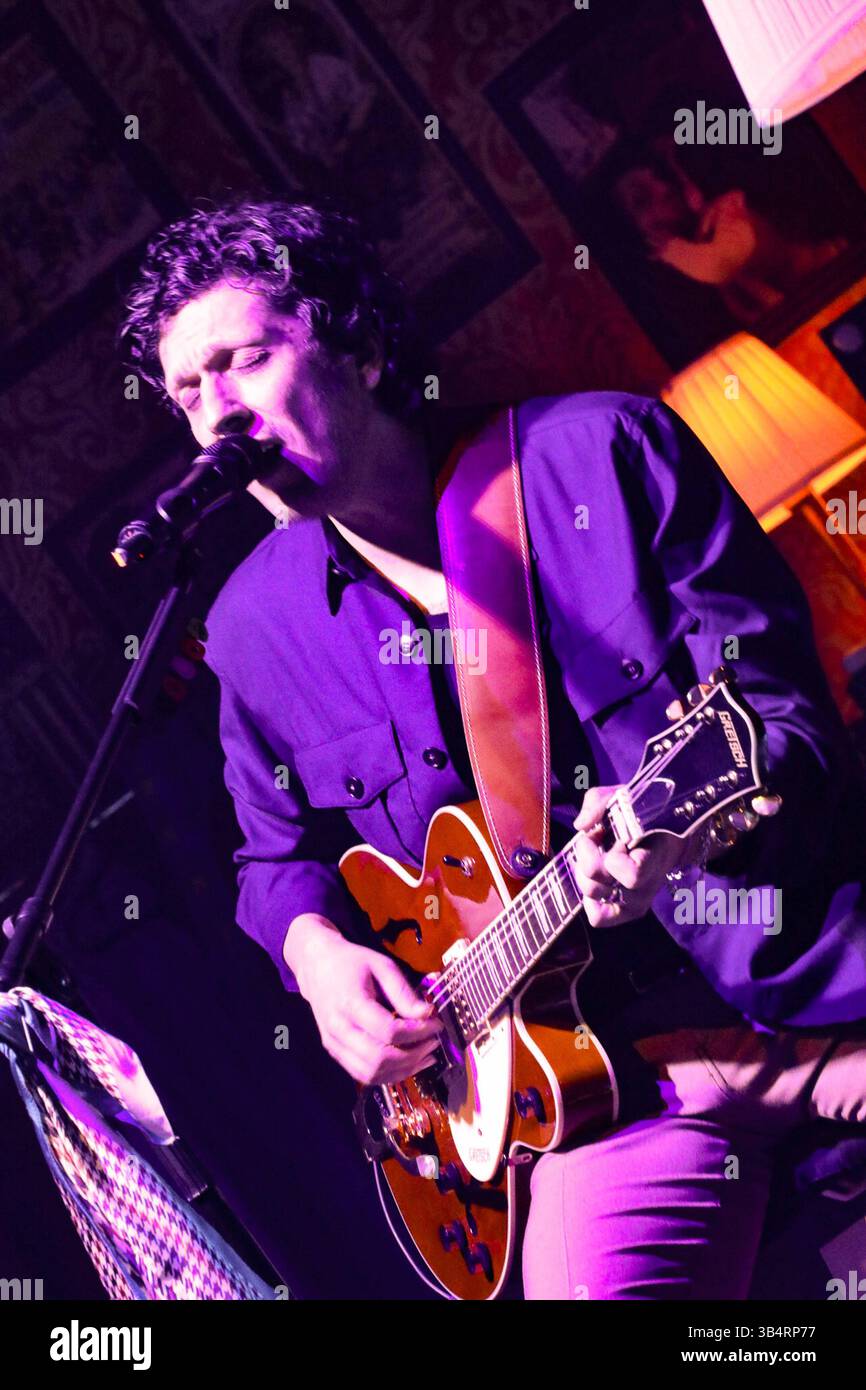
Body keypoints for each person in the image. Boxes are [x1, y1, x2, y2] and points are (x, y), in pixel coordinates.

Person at [120, 197, 866, 1300]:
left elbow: (781, 722)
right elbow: (272, 863)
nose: (215, 418)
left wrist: (678, 846)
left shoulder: (601, 455)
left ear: (362, 348)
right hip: (597, 1091)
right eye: (188, 392)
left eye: (242, 361)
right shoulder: (248, 628)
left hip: (803, 988)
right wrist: (319, 958)